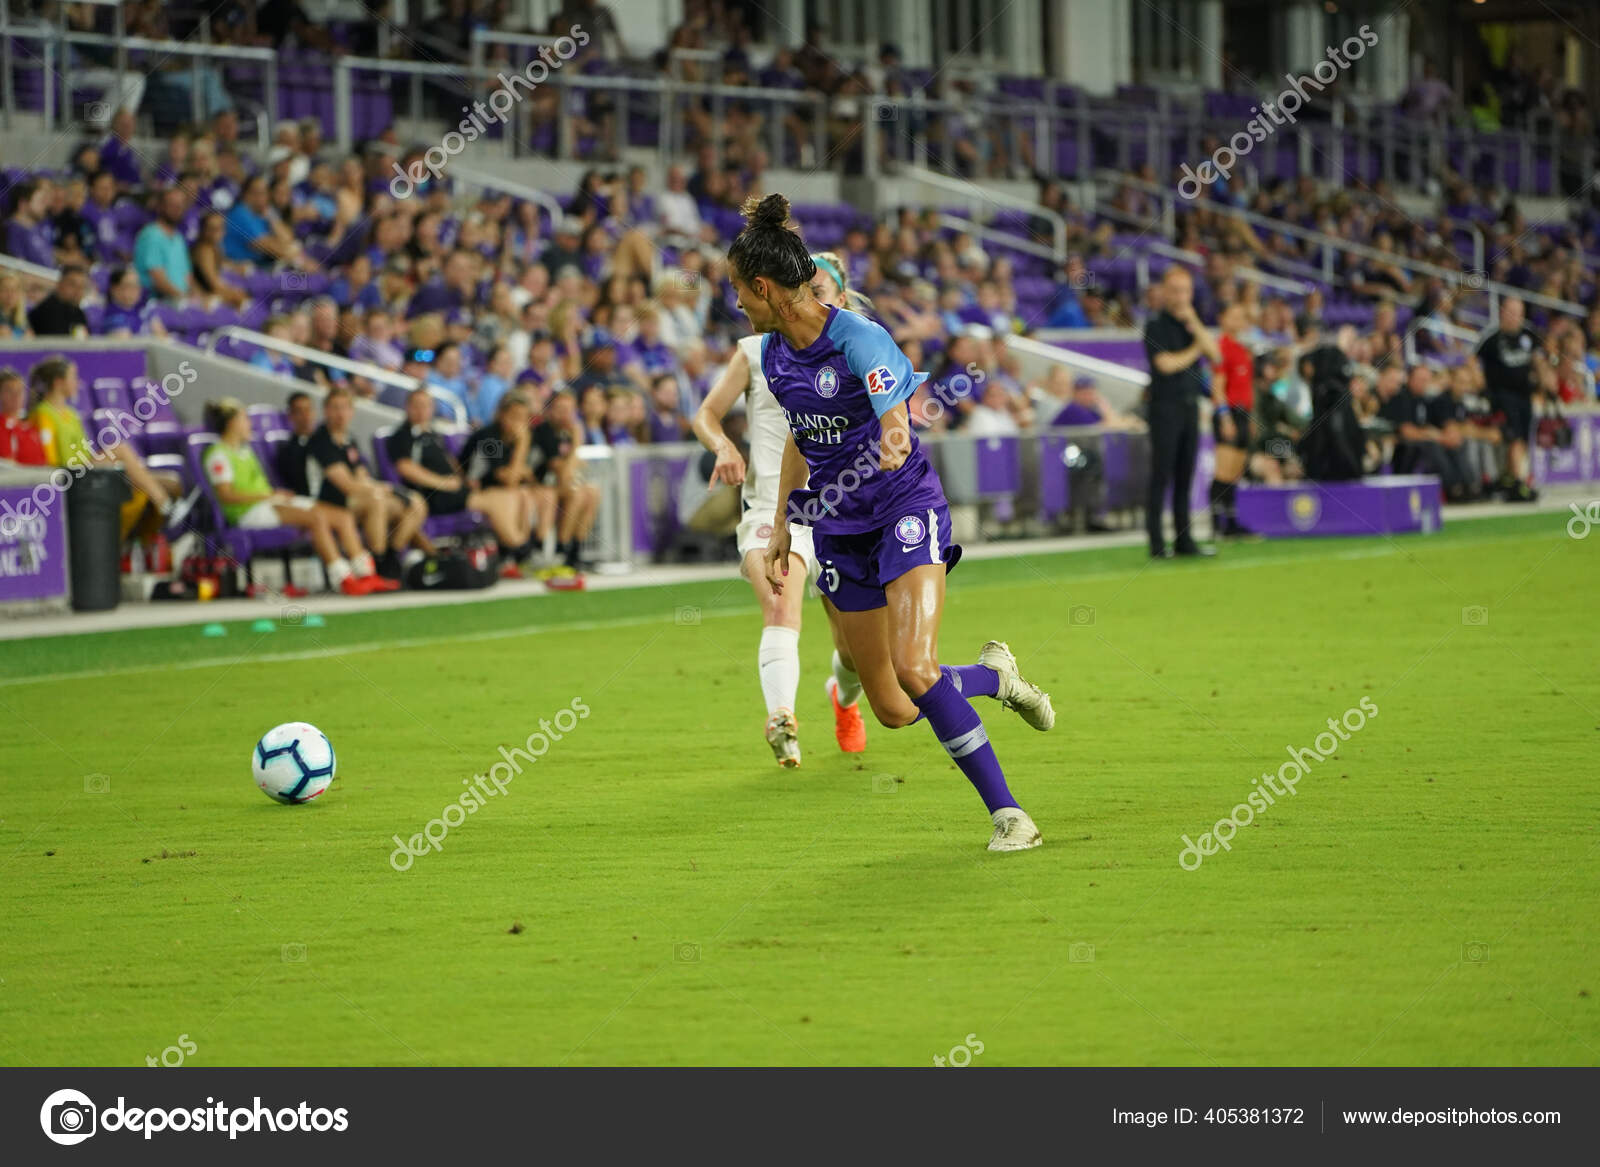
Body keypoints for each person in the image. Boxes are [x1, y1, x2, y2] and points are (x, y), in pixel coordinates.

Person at [729, 194, 1055, 852]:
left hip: (904, 508)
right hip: (840, 530)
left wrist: (896, 433)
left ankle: (1010, 815)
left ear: (763, 287)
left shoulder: (860, 338)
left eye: (739, 292)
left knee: (914, 666)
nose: (736, 304)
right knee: (896, 705)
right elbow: (800, 436)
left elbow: (896, 411)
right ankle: (995, 677)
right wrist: (785, 526)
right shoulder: (773, 355)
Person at [691, 249, 871, 766]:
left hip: (844, 512)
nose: (807, 298)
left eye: (820, 291)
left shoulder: (855, 348)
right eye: (802, 289)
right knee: (780, 605)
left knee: (857, 654)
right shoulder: (755, 351)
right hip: (774, 512)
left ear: (840, 300)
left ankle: (842, 698)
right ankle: (782, 718)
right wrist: (723, 445)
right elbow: (706, 414)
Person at [201, 398, 385, 595]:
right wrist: (269, 495)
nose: (249, 423)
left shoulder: (245, 451)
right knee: (316, 518)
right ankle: (343, 578)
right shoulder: (217, 455)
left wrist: (274, 496)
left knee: (343, 517)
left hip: (267, 503)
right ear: (232, 423)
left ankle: (366, 574)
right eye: (244, 419)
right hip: (248, 512)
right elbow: (226, 496)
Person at [28, 357, 181, 543]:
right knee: (121, 450)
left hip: (85, 468)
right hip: (70, 474)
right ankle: (164, 503)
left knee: (168, 481)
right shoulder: (44, 413)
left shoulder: (71, 414)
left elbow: (84, 451)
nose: (77, 382)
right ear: (59, 383)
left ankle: (145, 534)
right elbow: (52, 459)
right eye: (73, 377)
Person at [387, 387, 533, 576]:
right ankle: (518, 548)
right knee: (500, 499)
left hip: (456, 490)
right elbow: (406, 468)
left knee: (517, 495)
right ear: (407, 407)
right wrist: (443, 482)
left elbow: (452, 464)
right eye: (417, 406)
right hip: (434, 495)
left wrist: (461, 479)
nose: (422, 410)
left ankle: (516, 550)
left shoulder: (431, 434)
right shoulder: (403, 435)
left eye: (427, 405)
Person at [304, 385, 424, 583]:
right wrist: (383, 489)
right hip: (328, 502)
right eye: (335, 408)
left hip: (354, 499)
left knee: (415, 503)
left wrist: (387, 490)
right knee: (376, 500)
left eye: (344, 407)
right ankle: (376, 564)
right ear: (325, 411)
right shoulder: (320, 441)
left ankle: (392, 556)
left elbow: (362, 476)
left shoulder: (349, 439)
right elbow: (346, 486)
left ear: (352, 411)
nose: (340, 413)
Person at [1142, 266, 1218, 558]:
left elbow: (1216, 355)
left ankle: (1185, 541)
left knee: (1186, 476)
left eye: (1185, 290)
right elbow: (1165, 365)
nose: (1180, 296)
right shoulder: (1155, 326)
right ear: (1164, 291)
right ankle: (1157, 543)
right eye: (1174, 290)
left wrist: (1196, 326)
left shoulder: (1191, 325)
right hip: (1165, 409)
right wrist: (1195, 349)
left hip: (1190, 409)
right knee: (1161, 475)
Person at [1475, 297, 1546, 501]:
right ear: (1502, 313)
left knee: (1522, 438)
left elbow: (1538, 361)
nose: (1515, 317)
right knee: (1514, 437)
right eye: (1511, 311)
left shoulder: (1528, 336)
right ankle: (1518, 482)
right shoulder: (1492, 338)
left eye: (1519, 312)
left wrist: (1543, 385)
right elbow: (1472, 360)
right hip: (1503, 396)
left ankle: (1512, 480)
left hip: (1525, 396)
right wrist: (1481, 387)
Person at [1208, 303, 1256, 536]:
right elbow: (1217, 386)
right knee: (1223, 471)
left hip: (1243, 413)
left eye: (1241, 316)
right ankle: (1217, 523)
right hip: (1229, 413)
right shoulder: (1221, 348)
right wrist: (1224, 416)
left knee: (1236, 471)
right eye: (1234, 315)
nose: (1239, 320)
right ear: (1222, 318)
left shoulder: (1241, 349)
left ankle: (1231, 521)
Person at [27, 265, 91, 338]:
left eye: (82, 286)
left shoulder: (79, 313)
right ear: (60, 284)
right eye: (72, 284)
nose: (78, 291)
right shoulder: (46, 312)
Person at [0, 368, 47, 465]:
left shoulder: (35, 423)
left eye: (20, 391)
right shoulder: (2, 427)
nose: (16, 396)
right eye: (10, 391)